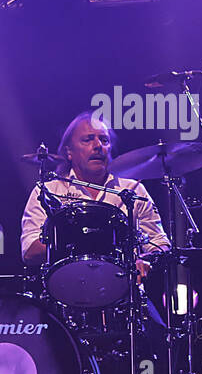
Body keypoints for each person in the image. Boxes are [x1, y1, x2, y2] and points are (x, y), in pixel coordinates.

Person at [21, 111, 170, 275]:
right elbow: (29, 251)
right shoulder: (49, 191)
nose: (98, 145)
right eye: (88, 139)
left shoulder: (132, 190)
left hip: (125, 291)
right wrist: (78, 243)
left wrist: (146, 260)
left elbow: (159, 243)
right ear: (69, 151)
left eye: (104, 140)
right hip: (66, 289)